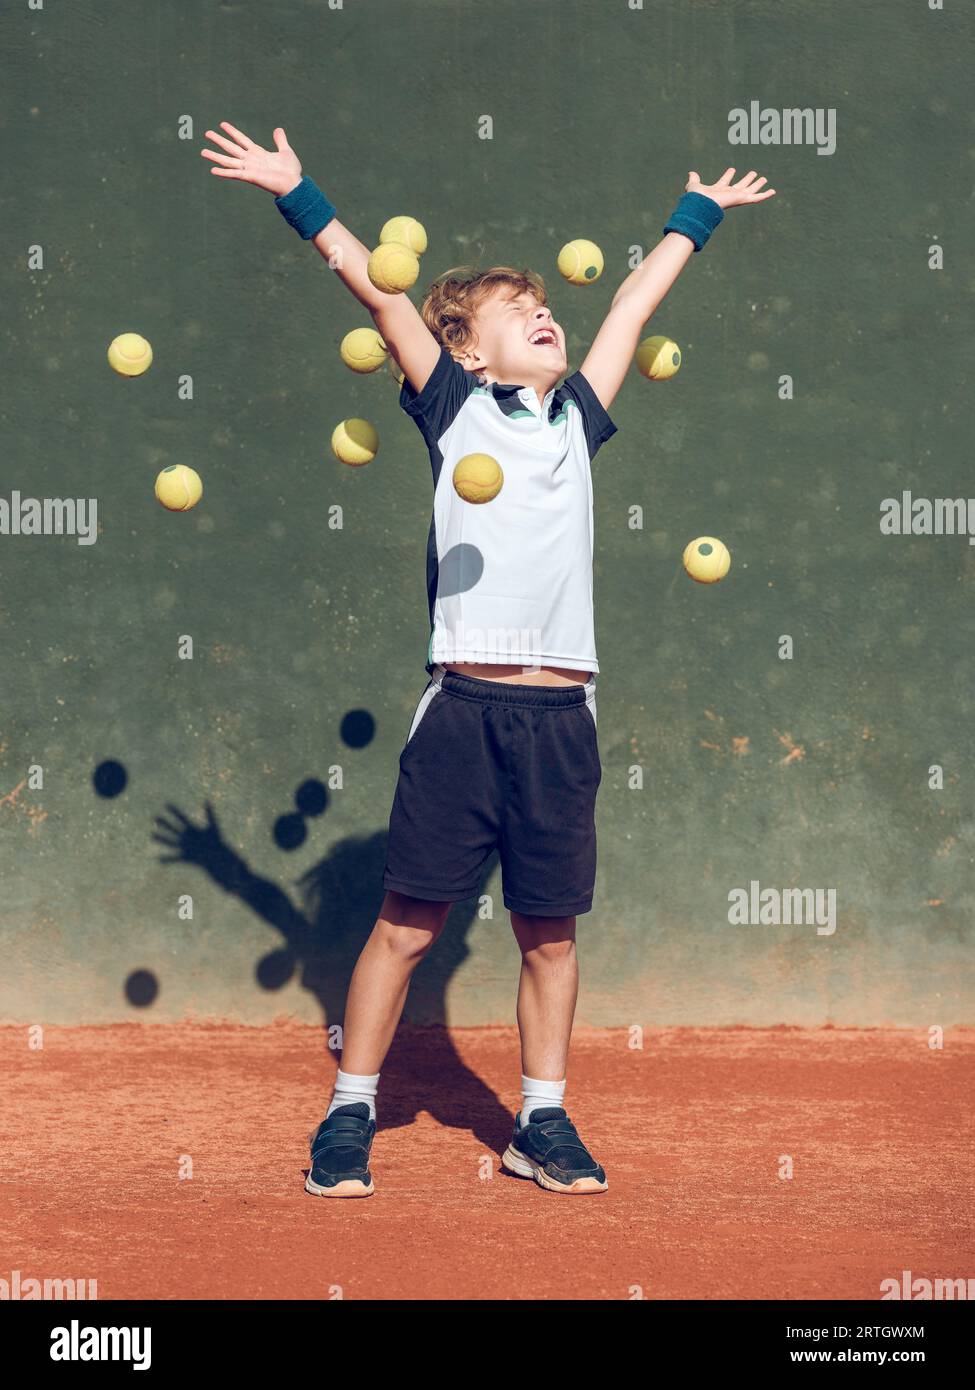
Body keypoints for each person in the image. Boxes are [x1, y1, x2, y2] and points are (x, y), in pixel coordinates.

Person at [201, 121, 774, 1197]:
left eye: (544, 307)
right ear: (469, 350)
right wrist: (299, 193)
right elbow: (381, 300)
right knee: (409, 927)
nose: (546, 316)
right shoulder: (453, 406)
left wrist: (693, 217)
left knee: (549, 937)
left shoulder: (579, 420)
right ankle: (349, 1111)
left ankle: (541, 1125)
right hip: (464, 708)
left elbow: (632, 307)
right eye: (521, 314)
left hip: (562, 721)